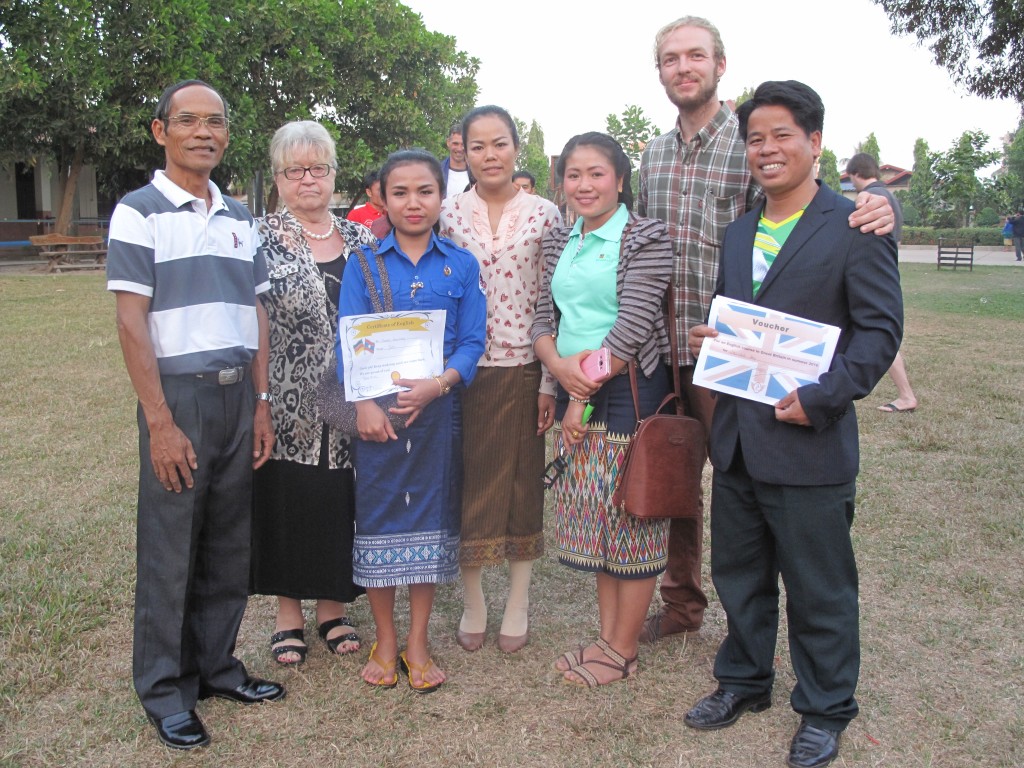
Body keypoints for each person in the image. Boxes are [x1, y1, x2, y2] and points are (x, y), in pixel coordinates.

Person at [636, 16, 896, 645]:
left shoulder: (753, 137)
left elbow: (816, 208)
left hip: (752, 358)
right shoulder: (652, 154)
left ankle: (783, 637)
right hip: (675, 343)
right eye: (670, 59)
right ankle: (683, 600)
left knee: (756, 482)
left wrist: (885, 201)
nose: (683, 68)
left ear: (720, 65)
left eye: (695, 56)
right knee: (677, 477)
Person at [684, 80, 902, 768]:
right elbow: (744, 318)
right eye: (756, 137)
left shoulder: (855, 226)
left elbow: (877, 332)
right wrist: (711, 340)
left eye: (783, 135)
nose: (767, 149)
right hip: (741, 442)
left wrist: (825, 396)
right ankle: (744, 680)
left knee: (819, 586)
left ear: (814, 142)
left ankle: (826, 707)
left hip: (809, 443)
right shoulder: (740, 229)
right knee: (740, 575)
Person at [106, 80, 284, 751]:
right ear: (161, 132)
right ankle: (164, 689)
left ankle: (217, 667)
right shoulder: (139, 211)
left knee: (229, 541)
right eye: (188, 121)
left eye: (216, 122)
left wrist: (262, 403)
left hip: (241, 396)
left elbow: (257, 313)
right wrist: (159, 421)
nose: (204, 132)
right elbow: (130, 322)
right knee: (170, 545)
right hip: (180, 397)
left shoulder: (241, 216)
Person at [338, 149, 486, 692]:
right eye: (399, 192)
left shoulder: (461, 265)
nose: (413, 202)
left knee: (429, 522)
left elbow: (472, 341)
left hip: (438, 413)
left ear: (441, 195)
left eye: (424, 191)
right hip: (378, 417)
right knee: (378, 521)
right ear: (381, 197)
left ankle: (417, 642)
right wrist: (363, 405)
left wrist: (440, 384)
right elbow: (348, 335)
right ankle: (384, 638)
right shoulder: (364, 263)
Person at [532, 132, 673, 687]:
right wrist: (555, 374)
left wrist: (577, 398)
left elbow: (632, 328)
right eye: (573, 174)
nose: (584, 185)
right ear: (561, 182)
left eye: (597, 173)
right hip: (576, 386)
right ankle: (606, 638)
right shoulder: (556, 240)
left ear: (619, 179)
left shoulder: (645, 236)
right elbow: (546, 317)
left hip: (627, 390)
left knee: (631, 516)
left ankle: (622, 650)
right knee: (597, 518)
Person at [250, 121, 377, 667]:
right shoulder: (256, 237)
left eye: (318, 168)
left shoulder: (362, 237)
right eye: (294, 170)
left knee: (339, 500)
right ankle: (287, 614)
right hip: (285, 395)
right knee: (288, 495)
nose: (308, 179)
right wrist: (258, 400)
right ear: (278, 177)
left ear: (333, 174)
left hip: (354, 396)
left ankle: (333, 608)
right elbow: (250, 319)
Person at [439, 106, 562, 654]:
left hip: (525, 367)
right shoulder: (445, 213)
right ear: (462, 151)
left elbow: (556, 301)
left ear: (517, 149)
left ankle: (516, 602)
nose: (490, 155)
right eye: (478, 145)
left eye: (500, 144)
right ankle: (473, 602)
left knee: (519, 484)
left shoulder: (546, 215)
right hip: (460, 371)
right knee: (466, 484)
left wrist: (549, 383)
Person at [846, 153, 918, 414]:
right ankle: (906, 394)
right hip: (885, 272)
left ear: (855, 174)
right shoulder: (888, 196)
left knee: (876, 335)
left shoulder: (873, 200)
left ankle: (906, 395)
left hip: (871, 276)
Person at [441, 123, 473, 199]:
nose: (459, 149)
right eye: (455, 144)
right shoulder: (437, 172)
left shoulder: (476, 173)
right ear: (448, 143)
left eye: (463, 144)